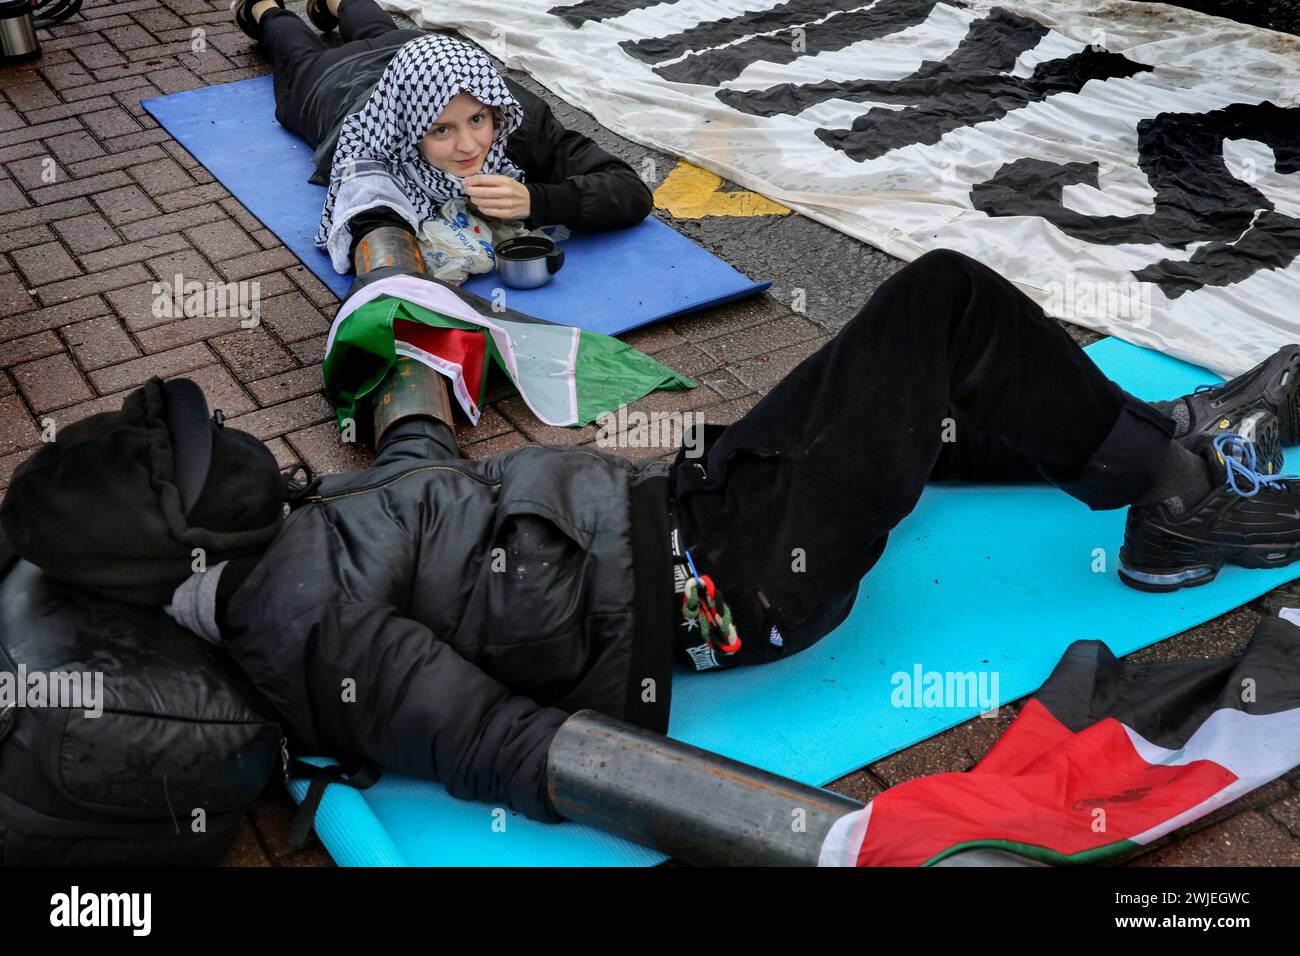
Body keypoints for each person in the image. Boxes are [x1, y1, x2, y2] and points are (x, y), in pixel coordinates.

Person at [4, 250, 1299, 824]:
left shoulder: (272, 545)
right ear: (181, 543)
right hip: (721, 580)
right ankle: (1172, 503)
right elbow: (492, 739)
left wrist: (408, 364)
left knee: (924, 404)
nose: (222, 433)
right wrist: (801, 834)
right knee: (940, 306)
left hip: (680, 517)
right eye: (192, 455)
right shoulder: (299, 626)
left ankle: (1149, 429)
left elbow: (414, 489)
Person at [231, 0, 654, 273]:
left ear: (494, 108)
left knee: (384, 30)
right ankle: (263, 8)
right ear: (409, 131)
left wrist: (537, 201)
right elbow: (374, 223)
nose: (469, 146)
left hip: (410, 51)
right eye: (441, 130)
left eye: (477, 120)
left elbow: (629, 190)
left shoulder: (518, 121)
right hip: (335, 84)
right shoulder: (376, 149)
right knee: (300, 54)